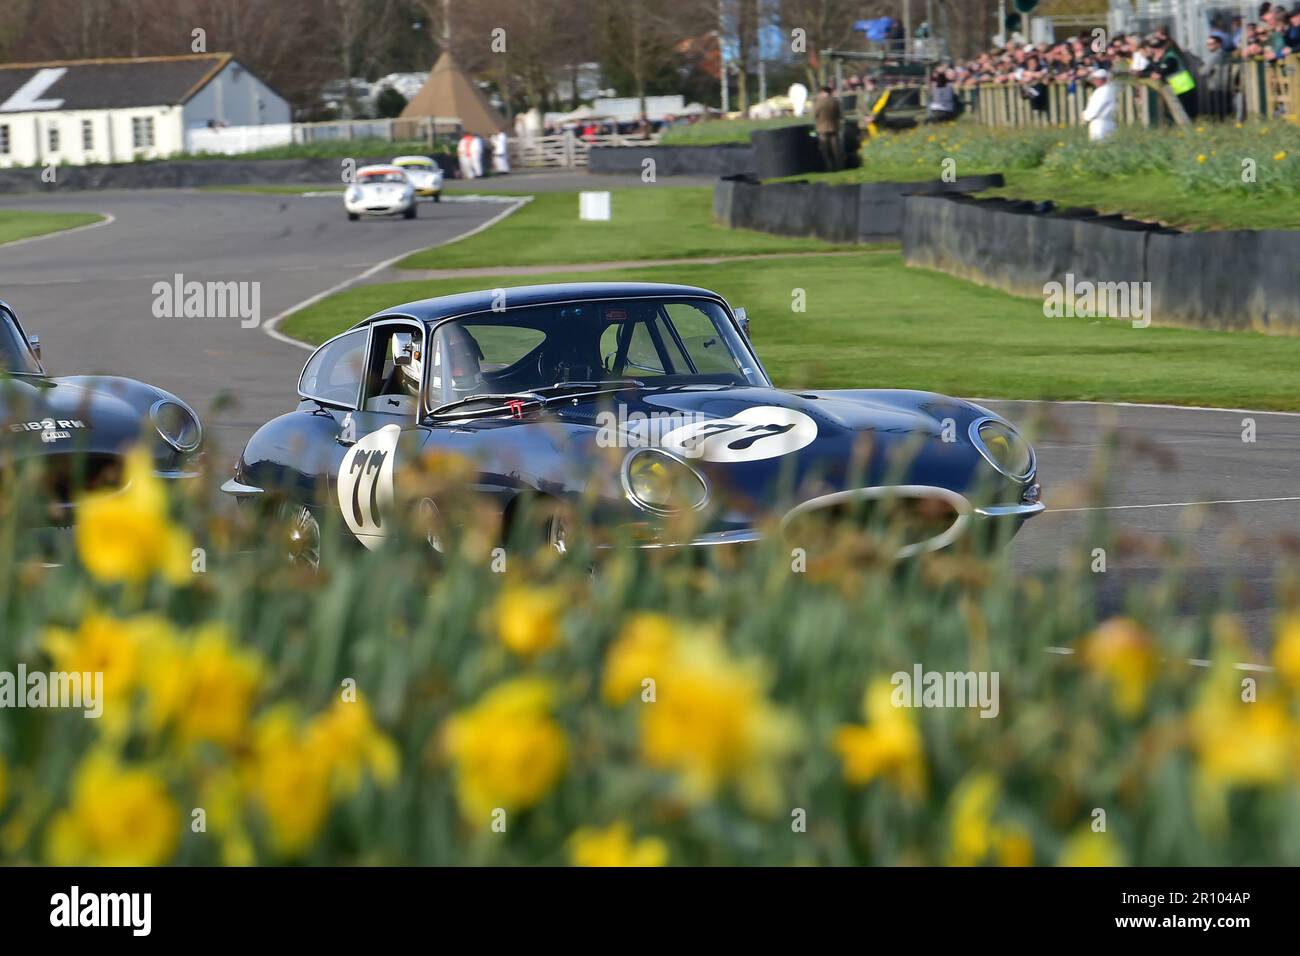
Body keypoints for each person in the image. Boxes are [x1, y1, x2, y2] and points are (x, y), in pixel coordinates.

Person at [1080, 68, 1118, 141]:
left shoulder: (1103, 91)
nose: (1094, 81)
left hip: (1100, 123)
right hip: (1103, 121)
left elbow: (1096, 108)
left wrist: (1086, 116)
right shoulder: (1103, 90)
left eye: (1096, 79)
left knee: (1098, 144)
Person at [813, 85, 844, 172]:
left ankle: (829, 167)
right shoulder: (835, 101)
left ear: (822, 92)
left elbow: (814, 115)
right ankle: (839, 166)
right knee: (836, 149)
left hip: (822, 129)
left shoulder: (818, 102)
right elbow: (840, 115)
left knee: (825, 150)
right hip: (834, 127)